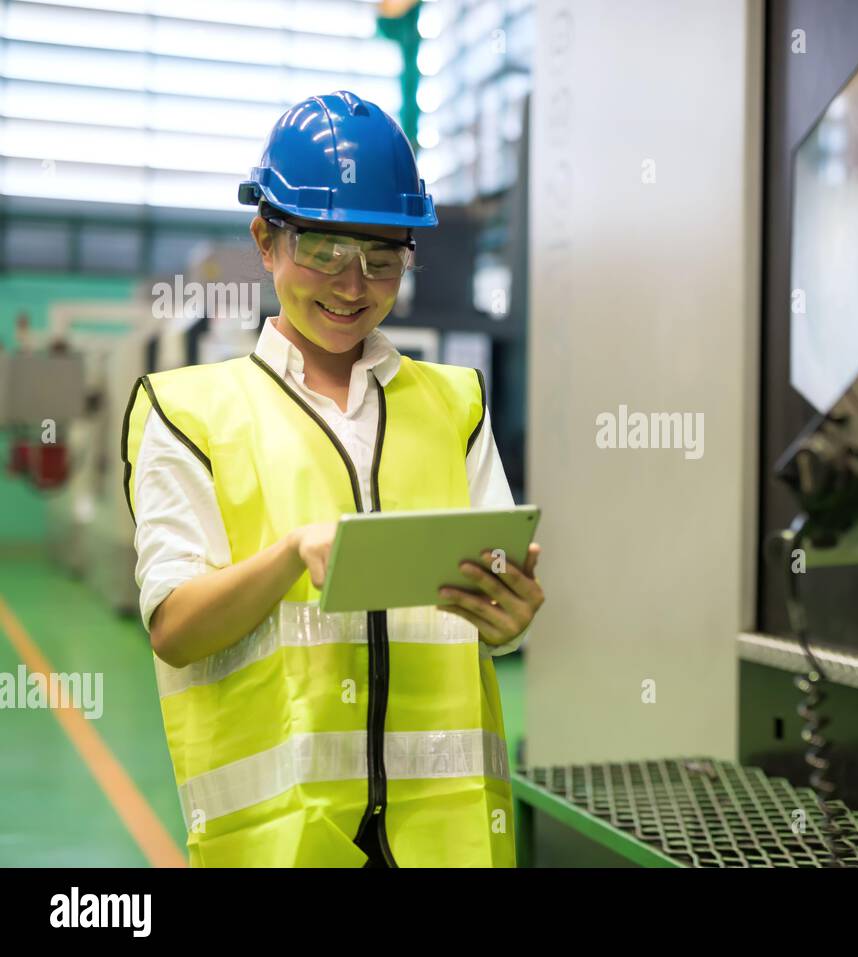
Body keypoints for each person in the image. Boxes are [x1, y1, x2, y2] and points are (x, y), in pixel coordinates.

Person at [121, 91, 543, 867]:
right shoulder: (189, 414)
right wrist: (289, 555)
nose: (354, 286)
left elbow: (491, 612)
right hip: (284, 841)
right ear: (265, 238)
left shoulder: (455, 406)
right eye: (325, 252)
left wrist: (510, 624)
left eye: (383, 258)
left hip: (443, 839)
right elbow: (174, 628)